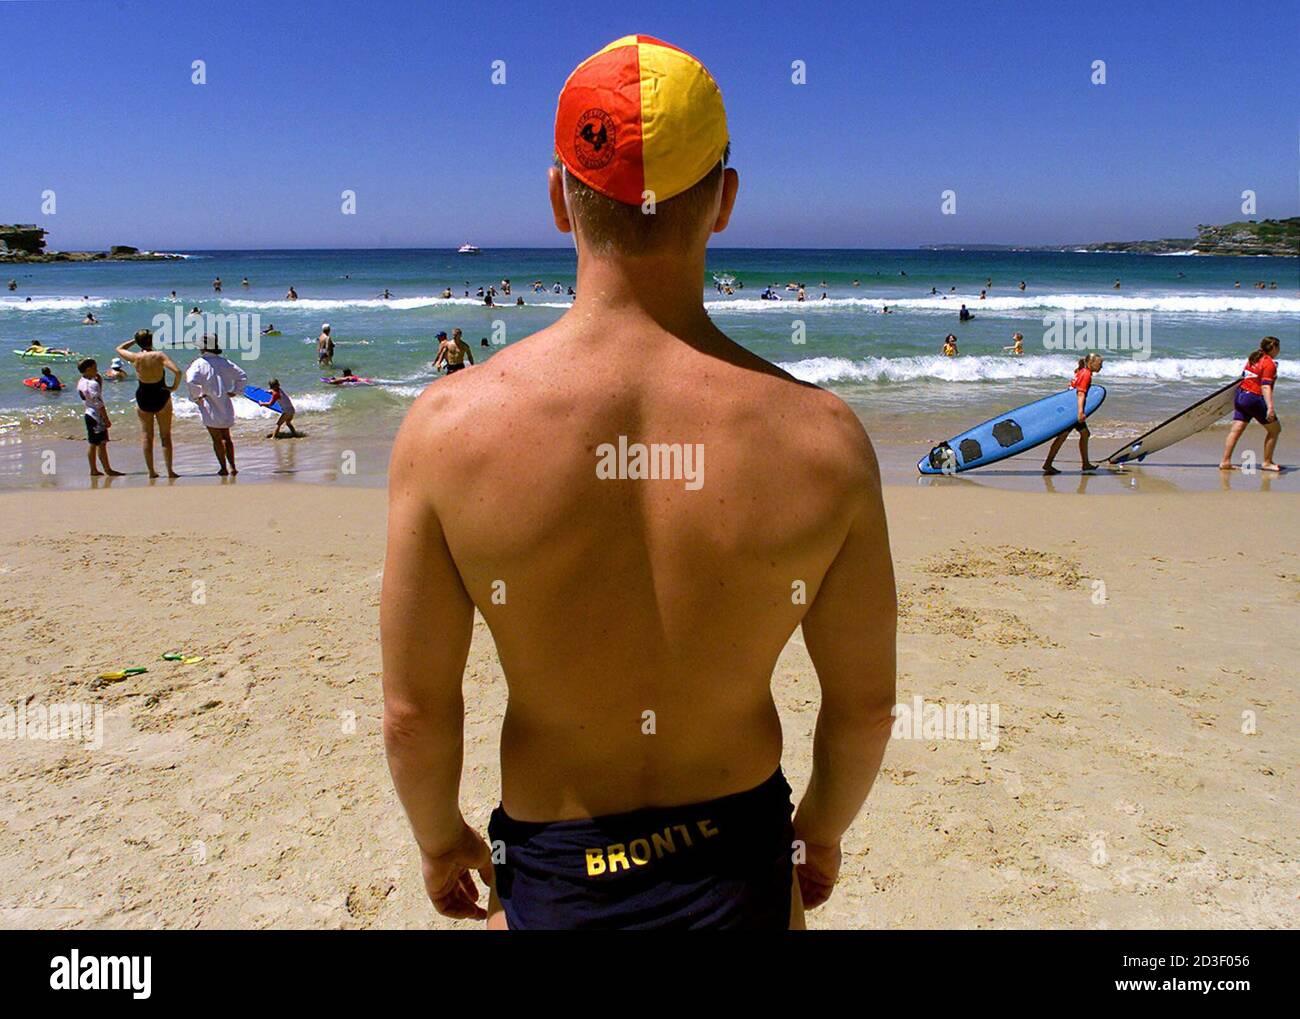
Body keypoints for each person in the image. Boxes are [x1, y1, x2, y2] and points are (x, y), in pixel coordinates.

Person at [381, 35, 895, 932]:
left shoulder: (448, 430)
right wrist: (821, 826)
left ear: (556, 198)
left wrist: (438, 838)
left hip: (556, 867)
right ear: (726, 201)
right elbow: (867, 706)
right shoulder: (826, 439)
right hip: (737, 857)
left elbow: (416, 712)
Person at [116, 329, 183, 478]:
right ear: (152, 341)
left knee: (147, 436)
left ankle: (151, 471)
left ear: (139, 342)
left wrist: (134, 341)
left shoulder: (135, 357)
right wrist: (174, 387)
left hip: (143, 396)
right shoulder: (159, 355)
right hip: (161, 394)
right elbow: (178, 372)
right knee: (165, 436)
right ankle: (170, 471)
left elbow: (119, 348)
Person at [185, 334, 247, 476]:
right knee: (227, 437)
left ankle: (223, 468)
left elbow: (191, 381)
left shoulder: (198, 363)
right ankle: (233, 466)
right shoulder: (225, 362)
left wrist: (198, 396)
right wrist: (236, 391)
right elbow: (241, 376)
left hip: (209, 403)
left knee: (216, 439)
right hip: (225, 401)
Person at [1221, 336, 1282, 472]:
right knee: (1275, 430)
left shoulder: (1253, 358)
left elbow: (1244, 376)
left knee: (1236, 430)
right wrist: (1270, 408)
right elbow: (1265, 387)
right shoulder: (1269, 364)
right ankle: (1267, 462)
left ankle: (1225, 462)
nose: (1279, 350)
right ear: (1273, 348)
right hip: (1254, 399)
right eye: (1278, 347)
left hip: (1241, 395)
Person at [1042, 353, 1102, 474]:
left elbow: (1071, 389)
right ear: (1091, 363)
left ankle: (1084, 463)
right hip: (1073, 411)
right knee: (1066, 436)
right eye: (1099, 363)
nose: (1101, 366)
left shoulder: (1081, 372)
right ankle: (1048, 463)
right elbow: (1080, 393)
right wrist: (1080, 412)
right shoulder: (1086, 374)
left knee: (1080, 435)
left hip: (1069, 409)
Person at [76, 358, 123, 476]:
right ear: (89, 369)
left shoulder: (81, 381)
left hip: (88, 413)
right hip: (96, 416)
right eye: (95, 368)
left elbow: (93, 397)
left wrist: (100, 382)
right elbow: (99, 404)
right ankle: (107, 469)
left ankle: (94, 469)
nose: (97, 370)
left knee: (93, 443)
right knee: (101, 444)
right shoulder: (92, 384)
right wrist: (106, 419)